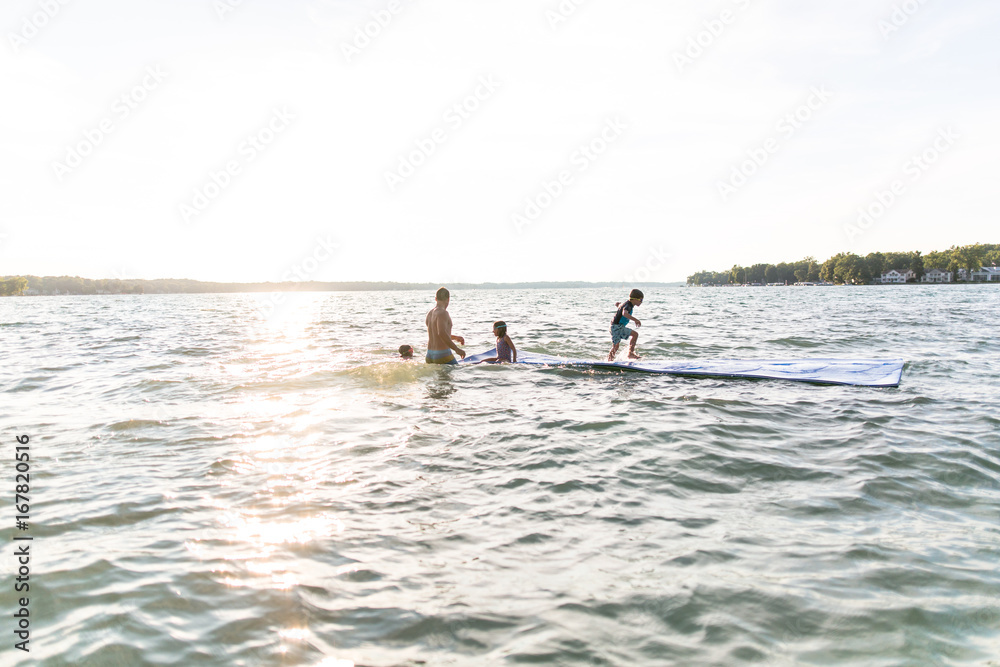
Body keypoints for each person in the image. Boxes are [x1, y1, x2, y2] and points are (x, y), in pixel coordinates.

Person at [425, 287, 466, 364]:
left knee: (437, 376)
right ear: (448, 299)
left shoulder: (430, 313)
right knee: (458, 373)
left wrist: (455, 337)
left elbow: (436, 334)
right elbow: (441, 333)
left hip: (429, 355)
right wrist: (457, 349)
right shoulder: (443, 313)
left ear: (435, 299)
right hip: (442, 355)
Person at [609, 288, 643, 361]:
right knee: (635, 335)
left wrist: (618, 305)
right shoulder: (628, 305)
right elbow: (624, 313)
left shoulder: (626, 304)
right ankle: (630, 354)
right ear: (635, 299)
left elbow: (620, 306)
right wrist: (636, 320)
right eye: (641, 300)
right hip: (617, 327)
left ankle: (609, 360)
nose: (641, 302)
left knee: (616, 346)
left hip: (615, 327)